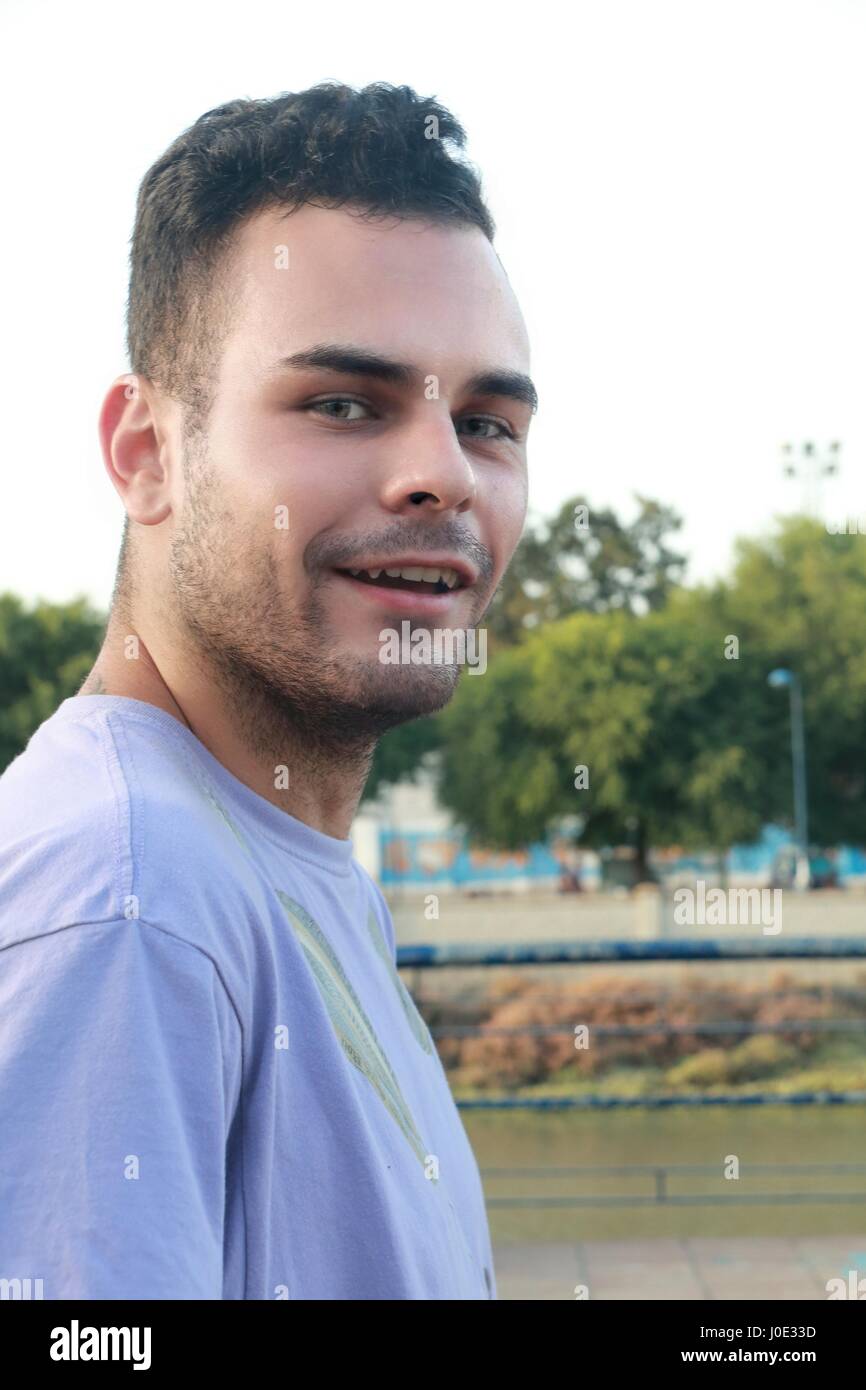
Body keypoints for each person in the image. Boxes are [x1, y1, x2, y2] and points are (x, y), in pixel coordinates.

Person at [0, 81, 536, 1299]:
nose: (441, 475)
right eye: (343, 402)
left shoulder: (267, 862)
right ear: (148, 453)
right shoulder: (127, 898)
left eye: (491, 423)